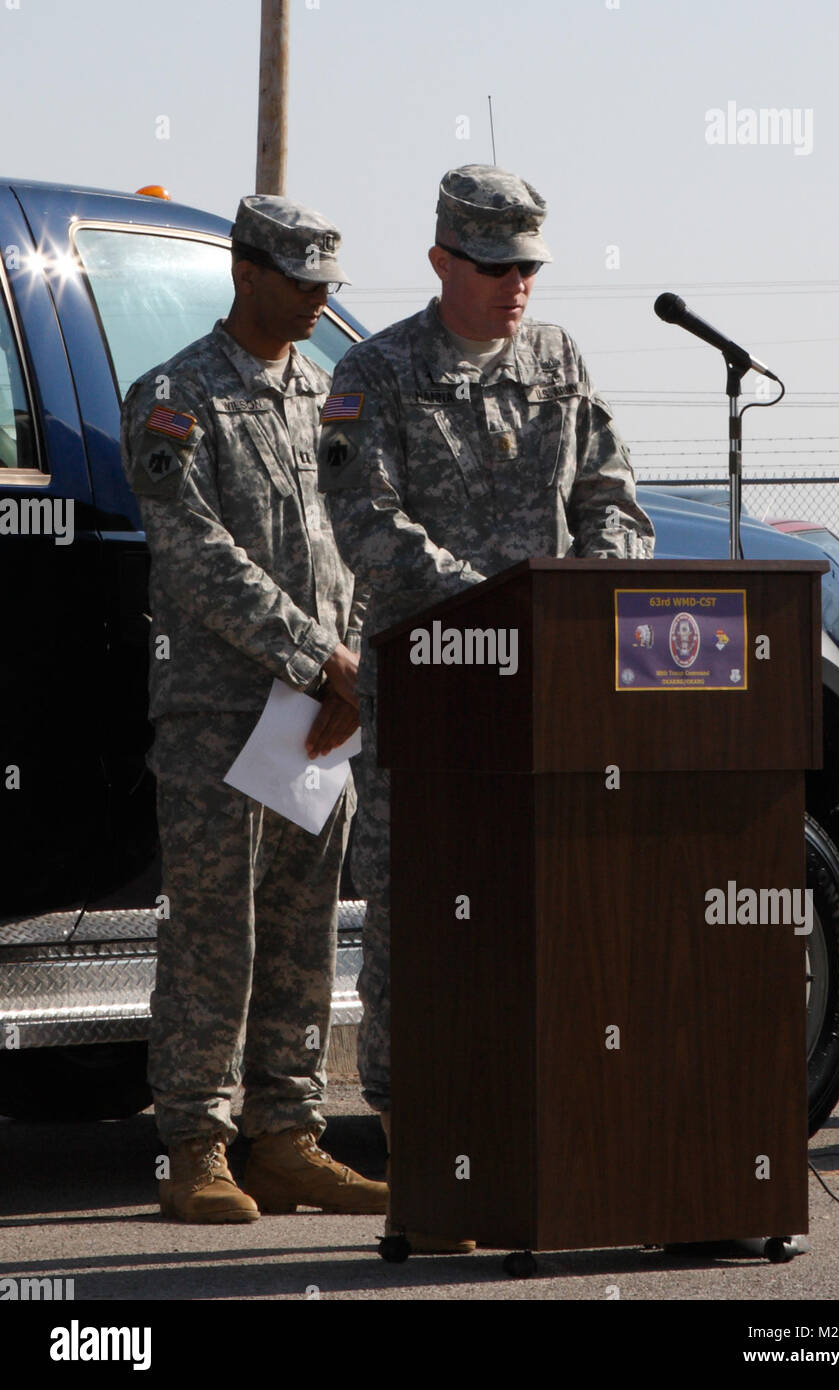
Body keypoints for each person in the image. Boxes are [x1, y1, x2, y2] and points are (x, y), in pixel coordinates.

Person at [317, 164, 654, 1243]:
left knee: (540, 924)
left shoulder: (559, 361)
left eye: (530, 267)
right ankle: (424, 1158)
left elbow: (612, 499)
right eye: (496, 265)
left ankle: (532, 1148)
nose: (517, 286)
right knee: (422, 927)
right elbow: (363, 523)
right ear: (441, 262)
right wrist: (493, 605)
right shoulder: (375, 374)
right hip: (430, 704)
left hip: (546, 712)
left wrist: (592, 588)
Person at [121, 194, 386, 1222]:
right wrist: (319, 657)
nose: (319, 296)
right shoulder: (175, 397)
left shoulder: (324, 395)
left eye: (328, 280)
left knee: (303, 932)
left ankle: (287, 1136)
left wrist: (347, 668)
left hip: (319, 715)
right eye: (300, 277)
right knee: (213, 937)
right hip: (223, 711)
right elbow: (194, 555)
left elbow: (355, 537)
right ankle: (195, 1145)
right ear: (244, 272)